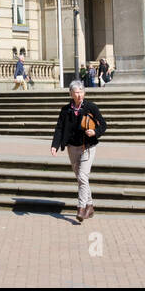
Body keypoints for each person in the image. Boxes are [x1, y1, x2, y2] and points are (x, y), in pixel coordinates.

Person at [49, 81, 108, 223]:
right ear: (71, 94)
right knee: (81, 178)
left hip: (87, 147)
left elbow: (104, 125)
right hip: (72, 147)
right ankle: (90, 205)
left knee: (82, 176)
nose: (79, 94)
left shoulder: (91, 107)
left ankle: (81, 208)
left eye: (81, 91)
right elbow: (59, 128)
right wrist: (55, 145)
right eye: (76, 92)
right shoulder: (65, 110)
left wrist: (94, 132)